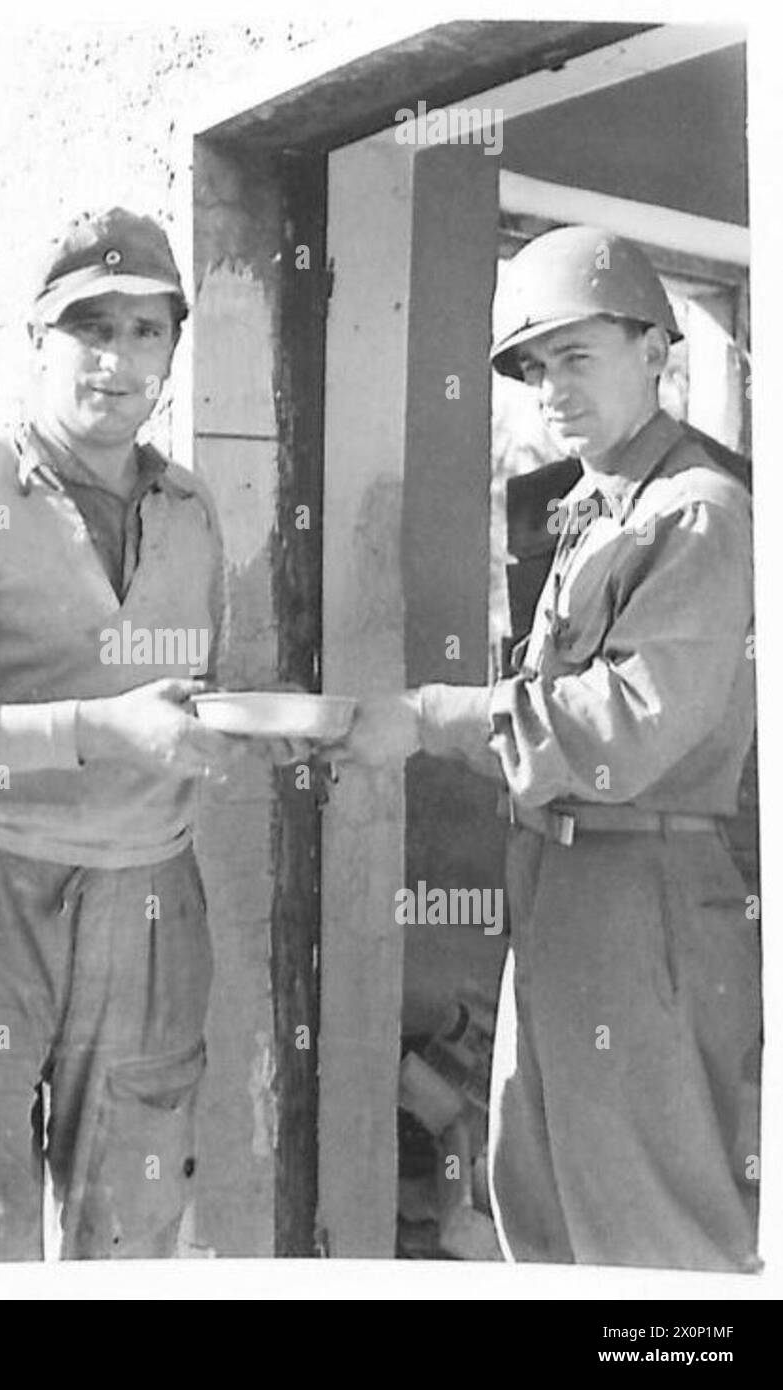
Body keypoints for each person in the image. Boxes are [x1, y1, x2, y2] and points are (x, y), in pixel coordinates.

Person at [0, 207, 296, 1262]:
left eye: (147, 331)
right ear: (37, 341)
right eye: (90, 326)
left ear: (173, 352)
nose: (117, 357)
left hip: (147, 904)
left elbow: (186, 696)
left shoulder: (191, 507)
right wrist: (100, 726)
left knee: (133, 1232)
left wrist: (242, 729)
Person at [337, 226, 760, 1271]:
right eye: (535, 367)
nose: (550, 389)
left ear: (655, 350)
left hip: (644, 891)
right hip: (566, 887)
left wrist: (433, 716)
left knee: (650, 1232)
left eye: (577, 355)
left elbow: (621, 728)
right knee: (543, 1208)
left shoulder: (696, 510)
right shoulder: (593, 505)